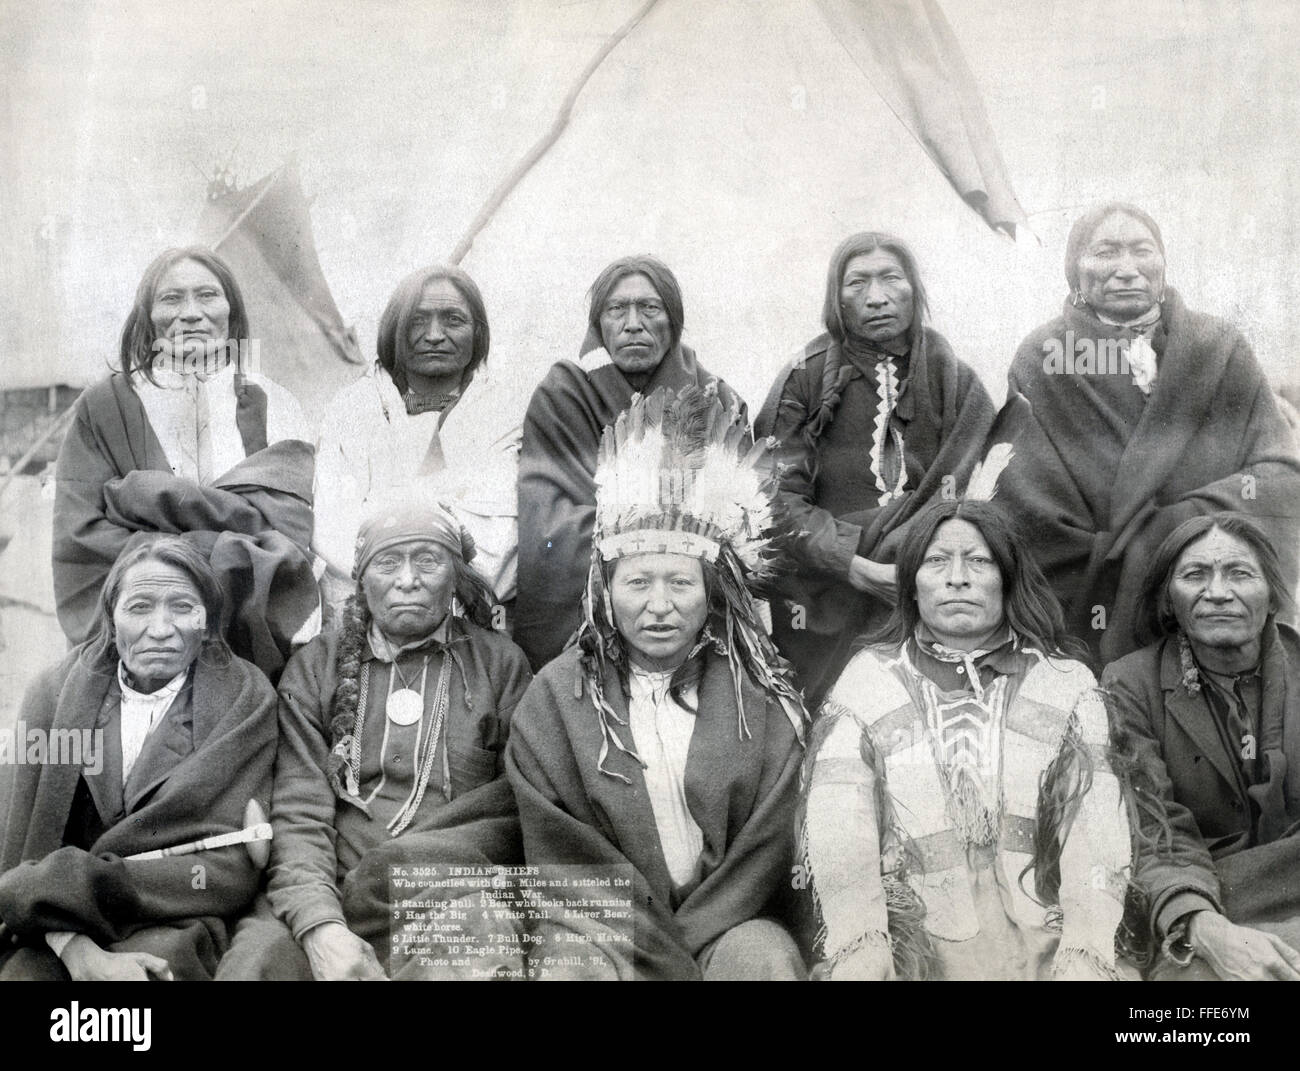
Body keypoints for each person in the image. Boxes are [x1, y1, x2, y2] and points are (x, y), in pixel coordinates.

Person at [507, 385, 809, 980]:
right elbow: (561, 854)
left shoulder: (759, 693)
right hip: (602, 931)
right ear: (605, 592)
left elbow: (768, 849)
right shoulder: (557, 696)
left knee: (765, 962)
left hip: (730, 926)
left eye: (680, 582)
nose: (660, 606)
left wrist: (689, 944)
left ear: (711, 593)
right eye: (639, 582)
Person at [800, 499, 1133, 980]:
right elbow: (840, 831)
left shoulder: (1065, 685)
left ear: (1008, 578)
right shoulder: (868, 681)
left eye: (978, 561)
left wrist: (1085, 951)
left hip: (1045, 940)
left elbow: (1097, 834)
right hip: (909, 945)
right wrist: (862, 946)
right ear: (912, 584)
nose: (958, 577)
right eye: (937, 561)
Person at [217, 502, 532, 980]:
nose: (408, 579)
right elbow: (299, 812)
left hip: (450, 891)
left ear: (456, 577)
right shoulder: (317, 666)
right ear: (362, 581)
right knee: (257, 961)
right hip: (332, 888)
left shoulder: (500, 666)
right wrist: (320, 926)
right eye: (388, 563)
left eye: (428, 560)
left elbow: (513, 810)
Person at [998, 202, 1300, 668]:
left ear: (1162, 262)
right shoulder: (1042, 357)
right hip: (1090, 601)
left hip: (1213, 581)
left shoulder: (1219, 348)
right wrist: (1119, 560)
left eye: (1142, 250)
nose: (1126, 269)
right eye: (1105, 252)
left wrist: (1169, 532)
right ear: (1074, 269)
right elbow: (1026, 500)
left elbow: (1279, 476)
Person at [0, 537, 276, 981]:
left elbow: (227, 867)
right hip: (56, 928)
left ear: (207, 623)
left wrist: (62, 886)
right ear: (112, 619)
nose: (161, 628)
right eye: (140, 607)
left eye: (182, 607)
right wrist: (76, 950)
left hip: (178, 913)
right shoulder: (52, 695)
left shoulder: (242, 698)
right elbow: (18, 851)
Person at [52, 246, 319, 680]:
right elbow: (81, 537)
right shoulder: (104, 407)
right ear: (147, 315)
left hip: (247, 639)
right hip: (140, 632)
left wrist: (142, 499)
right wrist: (229, 538)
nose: (191, 313)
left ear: (231, 309)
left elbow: (288, 533)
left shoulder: (275, 402)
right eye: (171, 299)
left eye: (207, 295)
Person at [756, 232, 995, 707]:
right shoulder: (804, 378)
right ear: (836, 298)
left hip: (938, 584)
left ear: (914, 289)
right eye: (857, 283)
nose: (877, 297)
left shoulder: (955, 379)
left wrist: (930, 569)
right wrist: (854, 565)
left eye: (891, 278)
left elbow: (989, 487)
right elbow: (771, 499)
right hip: (827, 594)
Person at [514, 255, 745, 670]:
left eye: (650, 309)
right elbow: (549, 519)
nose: (633, 323)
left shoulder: (716, 399)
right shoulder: (563, 395)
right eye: (616, 309)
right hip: (590, 607)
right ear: (598, 323)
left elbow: (739, 517)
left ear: (672, 321)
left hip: (694, 607)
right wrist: (658, 547)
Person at [1102, 513, 1300, 981]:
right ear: (1169, 600)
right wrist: (1205, 928)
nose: (1217, 592)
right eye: (1195, 575)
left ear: (1272, 592)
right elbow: (1154, 829)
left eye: (1239, 573)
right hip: (1202, 902)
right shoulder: (1130, 685)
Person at [313, 264, 519, 612]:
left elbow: (497, 546)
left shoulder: (505, 413)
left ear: (478, 332)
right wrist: (442, 507)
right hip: (363, 612)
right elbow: (332, 529)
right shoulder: (351, 407)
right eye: (417, 321)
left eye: (453, 319)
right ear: (394, 329)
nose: (435, 335)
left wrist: (384, 509)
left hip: (468, 616)